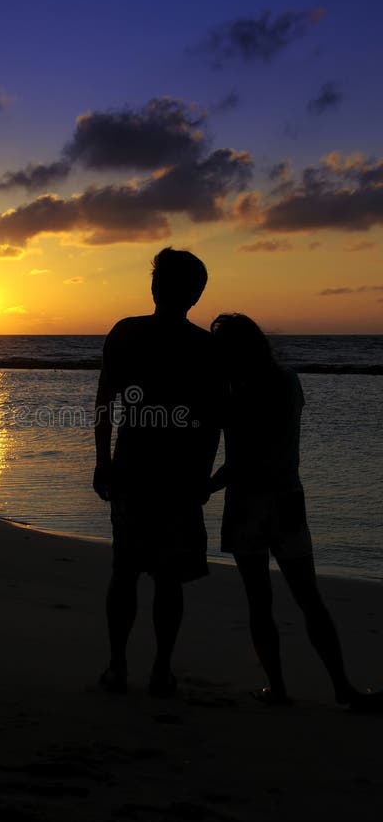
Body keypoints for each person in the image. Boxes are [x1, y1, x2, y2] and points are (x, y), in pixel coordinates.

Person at [209, 313, 380, 711]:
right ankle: (341, 686)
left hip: (247, 502)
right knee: (309, 597)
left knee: (260, 600)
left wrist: (206, 487)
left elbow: (241, 458)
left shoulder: (237, 392)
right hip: (286, 497)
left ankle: (278, 687)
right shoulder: (287, 382)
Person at [93, 247, 222, 697]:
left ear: (154, 287)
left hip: (134, 467)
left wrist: (103, 459)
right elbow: (212, 422)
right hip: (178, 476)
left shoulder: (127, 333)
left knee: (125, 570)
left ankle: (118, 667)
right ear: (196, 296)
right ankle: (160, 670)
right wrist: (203, 478)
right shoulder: (204, 346)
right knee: (167, 577)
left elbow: (105, 402)